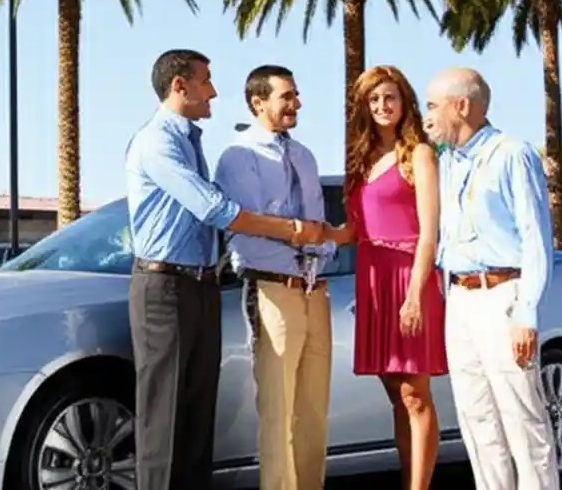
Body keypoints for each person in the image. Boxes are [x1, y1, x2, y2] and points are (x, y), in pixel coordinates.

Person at [125, 49, 330, 490]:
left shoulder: (190, 139)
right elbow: (214, 208)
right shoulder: (157, 141)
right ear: (180, 85)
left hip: (200, 285)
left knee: (198, 415)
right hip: (164, 287)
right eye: (206, 81)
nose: (214, 91)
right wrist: (293, 229)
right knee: (165, 421)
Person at [424, 67, 560, 490]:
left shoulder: (511, 153)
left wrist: (526, 313)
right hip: (460, 300)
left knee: (522, 419)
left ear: (461, 106)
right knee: (477, 418)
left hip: (502, 296)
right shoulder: (445, 161)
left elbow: (537, 238)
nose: (426, 115)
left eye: (432, 105)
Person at [213, 64, 347, 490]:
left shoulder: (304, 156)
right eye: (286, 96)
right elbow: (250, 227)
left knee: (312, 413)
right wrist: (302, 237)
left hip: (314, 291)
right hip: (271, 290)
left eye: (296, 94)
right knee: (278, 412)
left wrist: (316, 245)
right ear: (259, 102)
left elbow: (319, 226)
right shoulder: (239, 157)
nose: (296, 103)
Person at [338, 65, 446, 490]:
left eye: (390, 97)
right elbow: (353, 230)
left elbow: (429, 232)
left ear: (405, 102)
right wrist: (304, 234)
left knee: (416, 395)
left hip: (409, 280)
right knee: (397, 398)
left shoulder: (419, 154)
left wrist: (416, 295)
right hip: (373, 282)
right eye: (374, 100)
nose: (383, 106)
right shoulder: (360, 160)